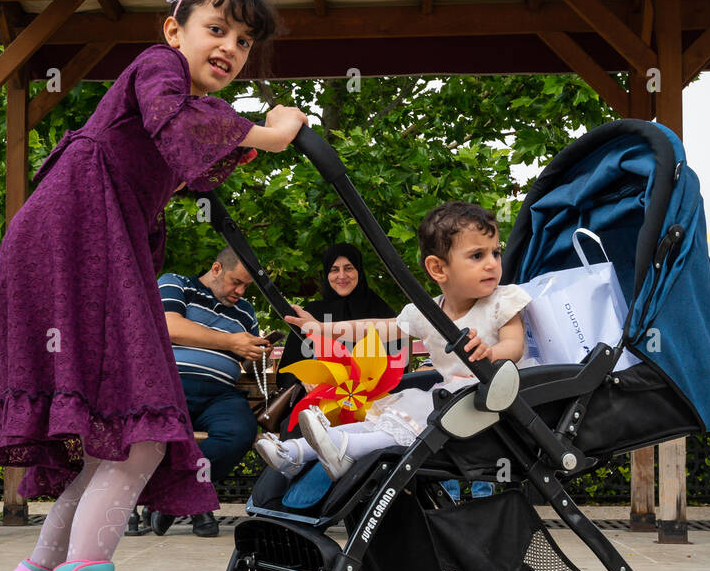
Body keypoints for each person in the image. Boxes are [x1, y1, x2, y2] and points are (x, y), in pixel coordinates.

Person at [0, 0, 309, 571]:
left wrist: (246, 143)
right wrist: (269, 131)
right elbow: (182, 129)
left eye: (244, 41)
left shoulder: (173, 100)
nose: (230, 47)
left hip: (71, 242)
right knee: (139, 438)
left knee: (107, 448)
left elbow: (191, 154)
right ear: (173, 28)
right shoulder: (158, 71)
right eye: (216, 28)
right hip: (74, 242)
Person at [256, 202, 531, 480]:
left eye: (496, 252)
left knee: (404, 421)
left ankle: (342, 450)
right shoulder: (429, 312)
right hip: (450, 399)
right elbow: (373, 328)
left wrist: (491, 352)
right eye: (477, 255)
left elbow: (515, 346)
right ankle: (296, 452)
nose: (492, 263)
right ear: (438, 269)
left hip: (488, 401)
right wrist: (320, 328)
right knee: (381, 422)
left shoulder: (502, 300)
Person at [142, 247, 269, 538]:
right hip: (170, 386)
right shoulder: (176, 283)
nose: (240, 290)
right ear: (216, 269)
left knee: (241, 431)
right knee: (168, 433)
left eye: (246, 286)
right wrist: (231, 342)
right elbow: (170, 326)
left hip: (219, 395)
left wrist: (255, 353)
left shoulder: (245, 312)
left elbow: (244, 360)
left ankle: (170, 494)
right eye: (236, 282)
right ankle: (187, 501)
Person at [276, 243, 397, 394]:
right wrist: (303, 378)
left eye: (348, 268)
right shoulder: (312, 313)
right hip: (319, 403)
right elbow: (288, 368)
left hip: (372, 402)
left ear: (359, 271)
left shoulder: (380, 311)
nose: (341, 276)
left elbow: (396, 365)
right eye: (334, 270)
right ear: (327, 274)